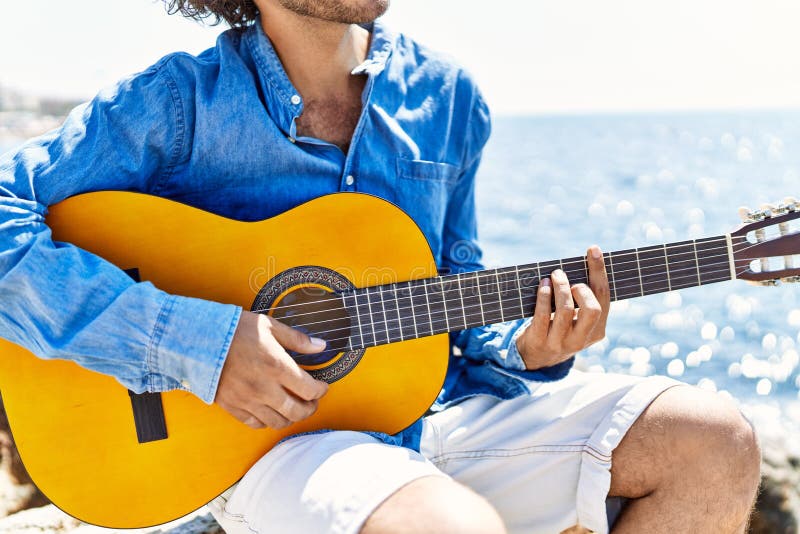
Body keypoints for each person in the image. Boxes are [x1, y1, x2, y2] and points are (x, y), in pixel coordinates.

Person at [0, 0, 761, 532]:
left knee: (714, 443)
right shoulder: (177, 104)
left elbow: (454, 300)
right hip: (269, 442)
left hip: (435, 417)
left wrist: (529, 348)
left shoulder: (451, 99)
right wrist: (199, 343)